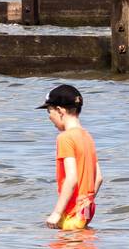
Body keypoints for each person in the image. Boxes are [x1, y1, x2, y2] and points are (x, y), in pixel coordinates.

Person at [39, 84, 103, 230]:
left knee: (58, 248)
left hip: (72, 213)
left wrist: (56, 213)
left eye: (49, 111)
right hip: (86, 211)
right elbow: (98, 178)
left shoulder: (65, 138)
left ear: (60, 111)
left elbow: (72, 178)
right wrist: (86, 202)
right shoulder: (87, 136)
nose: (49, 117)